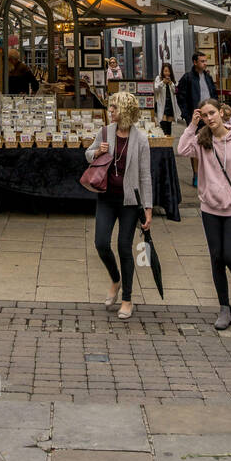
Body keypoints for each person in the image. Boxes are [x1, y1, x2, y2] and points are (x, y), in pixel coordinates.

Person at [178, 100, 231, 330]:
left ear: (221, 113)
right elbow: (181, 150)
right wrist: (192, 126)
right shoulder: (202, 141)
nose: (209, 118)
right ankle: (224, 308)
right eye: (204, 115)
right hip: (210, 208)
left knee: (230, 256)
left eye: (212, 113)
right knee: (216, 258)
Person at [87, 91, 153, 321]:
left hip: (129, 201)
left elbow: (145, 176)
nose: (110, 112)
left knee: (125, 247)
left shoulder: (141, 140)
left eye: (114, 108)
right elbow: (88, 154)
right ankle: (115, 279)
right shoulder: (105, 132)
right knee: (101, 243)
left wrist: (148, 208)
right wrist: (97, 152)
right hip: (106, 197)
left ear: (124, 111)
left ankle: (127, 298)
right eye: (110, 108)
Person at [176, 52, 218, 188]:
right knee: (195, 145)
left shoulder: (208, 77)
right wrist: (188, 116)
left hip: (209, 117)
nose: (205, 63)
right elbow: (181, 97)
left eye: (206, 61)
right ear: (195, 62)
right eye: (202, 61)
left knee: (211, 144)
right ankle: (196, 174)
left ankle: (209, 172)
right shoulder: (188, 78)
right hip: (196, 117)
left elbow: (214, 94)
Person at [154, 61, 179, 137]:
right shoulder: (158, 78)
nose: (167, 73)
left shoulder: (173, 80)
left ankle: (168, 144)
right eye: (165, 71)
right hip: (162, 105)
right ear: (162, 71)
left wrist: (171, 83)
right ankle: (164, 144)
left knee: (169, 126)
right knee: (163, 125)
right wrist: (163, 82)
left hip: (170, 105)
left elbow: (176, 91)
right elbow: (156, 89)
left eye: (168, 71)